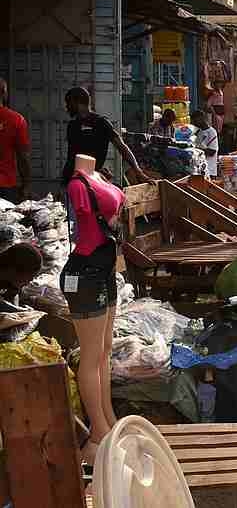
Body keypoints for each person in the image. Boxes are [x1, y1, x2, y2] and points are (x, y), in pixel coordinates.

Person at [61, 153, 125, 463]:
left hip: (104, 268)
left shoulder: (98, 176)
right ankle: (98, 430)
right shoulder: (76, 185)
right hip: (84, 272)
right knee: (91, 353)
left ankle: (108, 418)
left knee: (106, 349)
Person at [62, 87, 148, 185]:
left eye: (69, 103)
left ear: (78, 102)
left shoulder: (101, 123)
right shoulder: (72, 125)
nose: (67, 107)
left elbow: (122, 147)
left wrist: (138, 171)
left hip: (90, 181)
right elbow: (72, 157)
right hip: (71, 180)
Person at [0, 79, 30, 203]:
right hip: (5, 186)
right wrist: (25, 186)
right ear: (4, 93)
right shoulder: (17, 120)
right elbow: (23, 157)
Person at [192, 110, 219, 177]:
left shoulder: (212, 132)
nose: (194, 123)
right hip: (201, 170)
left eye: (195, 120)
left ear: (202, 118)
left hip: (209, 170)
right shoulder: (199, 132)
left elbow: (212, 151)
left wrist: (197, 150)